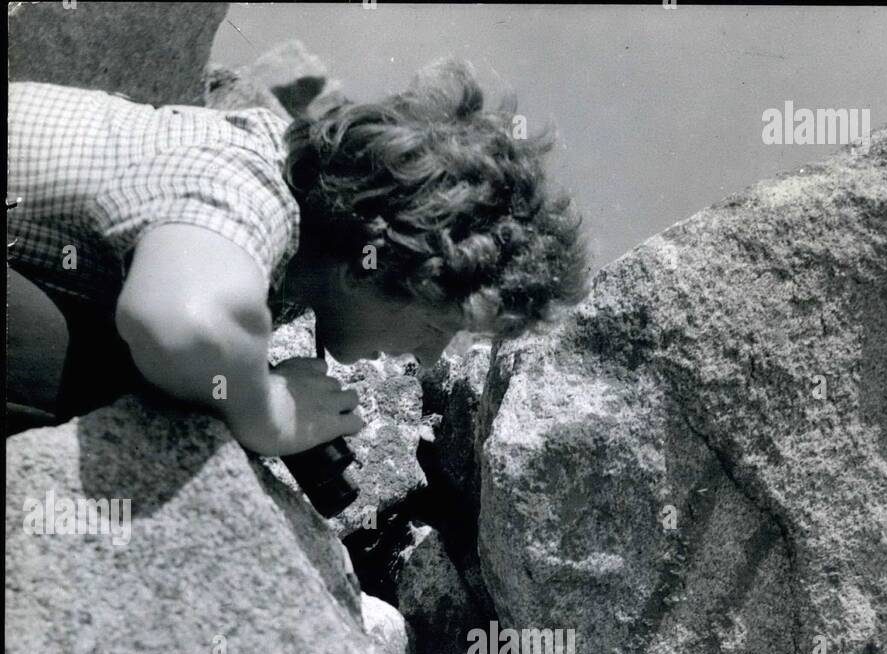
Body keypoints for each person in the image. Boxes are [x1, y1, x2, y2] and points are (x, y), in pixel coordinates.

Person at [6, 59, 590, 451]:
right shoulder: (247, 192)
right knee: (95, 375)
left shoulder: (288, 183)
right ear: (373, 261)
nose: (433, 358)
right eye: (439, 324)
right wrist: (264, 411)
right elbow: (177, 324)